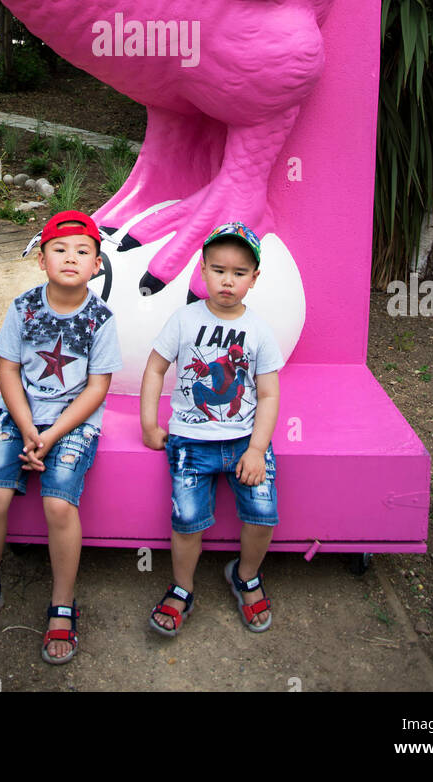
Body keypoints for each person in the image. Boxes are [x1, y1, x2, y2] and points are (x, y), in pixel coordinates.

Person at [0, 209, 121, 663]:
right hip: (20, 414)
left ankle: (63, 602)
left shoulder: (100, 318)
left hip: (74, 421)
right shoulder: (23, 307)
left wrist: (53, 433)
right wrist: (26, 428)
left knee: (58, 503)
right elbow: (8, 369)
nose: (70, 258)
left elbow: (97, 387)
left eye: (83, 251)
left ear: (97, 265)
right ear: (41, 260)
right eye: (58, 249)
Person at [140, 222, 281, 635]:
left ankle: (246, 576)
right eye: (219, 269)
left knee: (263, 514)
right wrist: (149, 423)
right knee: (187, 520)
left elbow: (269, 395)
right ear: (202, 271)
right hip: (190, 440)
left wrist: (257, 449)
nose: (227, 280)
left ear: (254, 279)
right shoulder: (183, 319)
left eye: (239, 273)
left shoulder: (258, 330)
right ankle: (182, 588)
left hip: (243, 442)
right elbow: (154, 369)